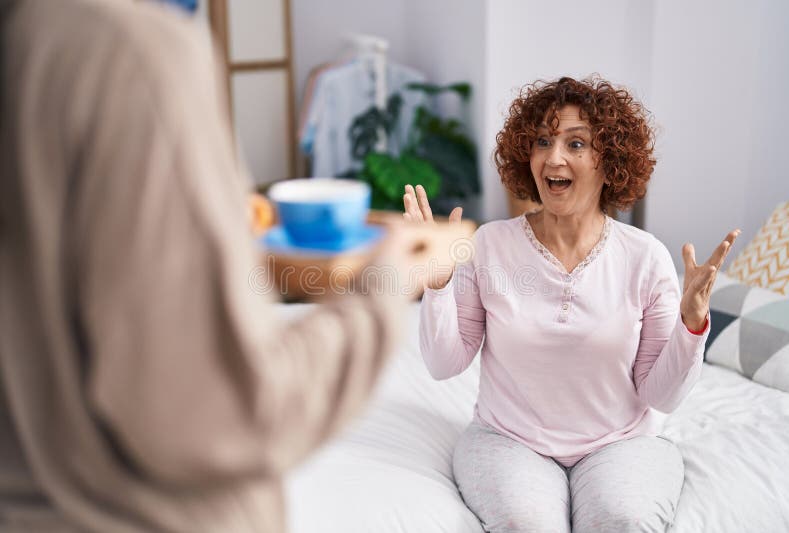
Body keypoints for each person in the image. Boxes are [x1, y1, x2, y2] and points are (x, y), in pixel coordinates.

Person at [0, 1, 456, 531]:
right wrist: (385, 291)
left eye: (577, 143)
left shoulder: (35, 27)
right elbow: (227, 411)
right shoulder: (134, 53)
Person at [403, 76, 740, 532]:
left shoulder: (645, 257)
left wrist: (691, 324)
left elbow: (660, 394)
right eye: (542, 140)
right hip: (508, 440)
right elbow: (445, 364)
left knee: (623, 520)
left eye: (576, 143)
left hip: (620, 444)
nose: (554, 157)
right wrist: (438, 280)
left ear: (610, 164)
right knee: (528, 525)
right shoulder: (490, 245)